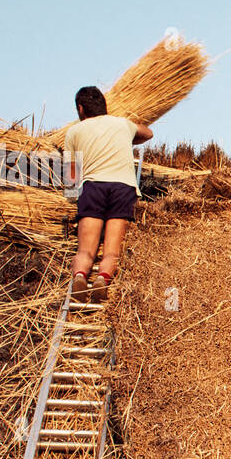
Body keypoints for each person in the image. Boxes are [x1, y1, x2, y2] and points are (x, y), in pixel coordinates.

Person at [63, 86, 152, 302]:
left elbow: (71, 178)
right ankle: (102, 278)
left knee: (85, 251)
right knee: (112, 252)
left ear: (81, 108)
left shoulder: (74, 132)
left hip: (93, 187)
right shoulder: (122, 124)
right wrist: (128, 134)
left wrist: (74, 199)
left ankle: (80, 276)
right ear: (105, 106)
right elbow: (148, 133)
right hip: (123, 188)